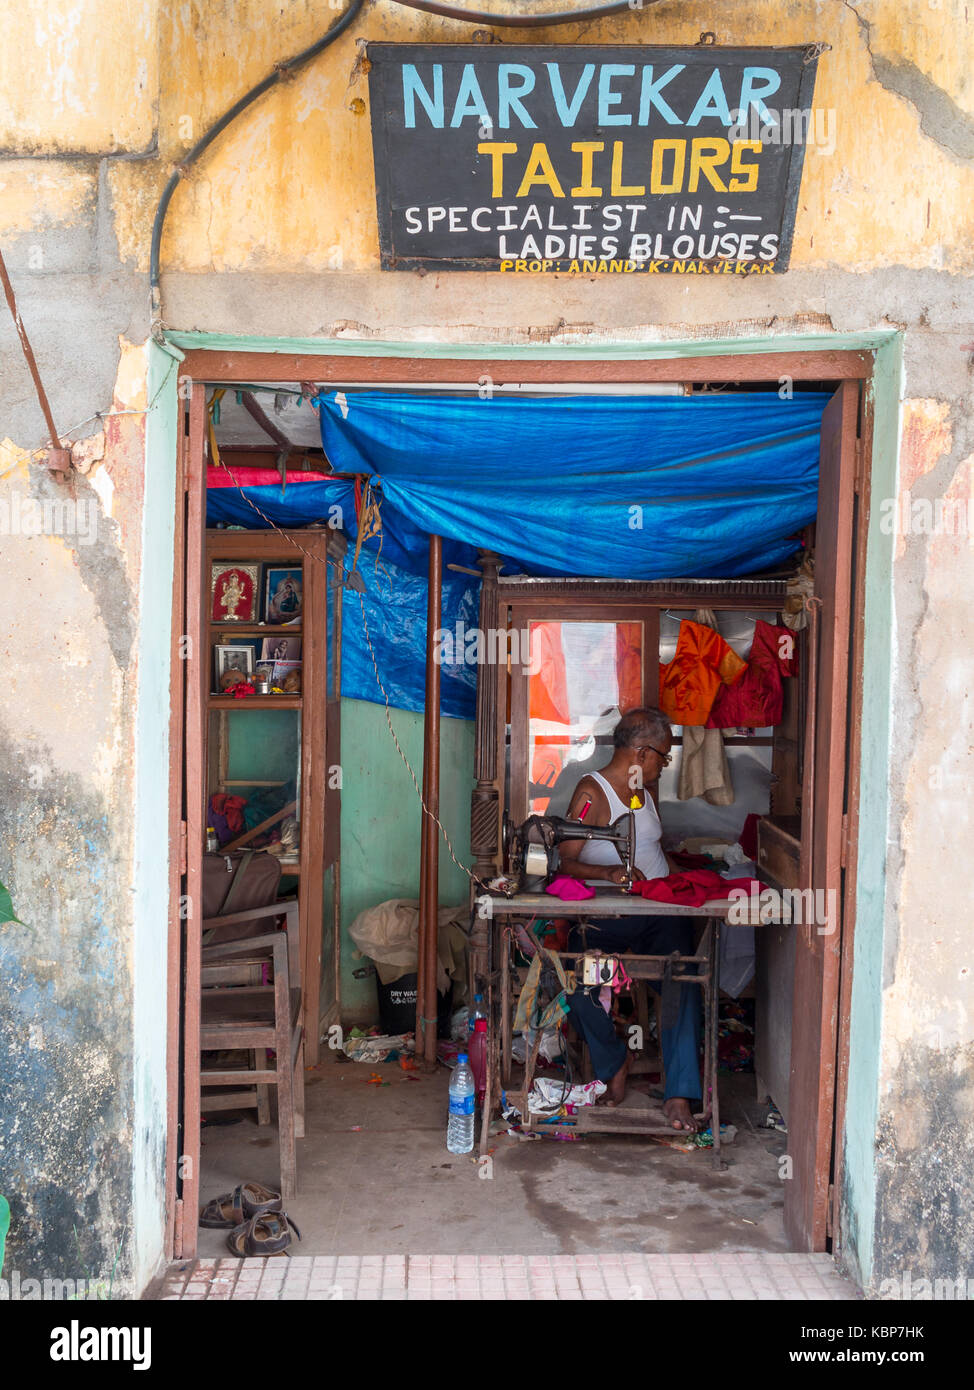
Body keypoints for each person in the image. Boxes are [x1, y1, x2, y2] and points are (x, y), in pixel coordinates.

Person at [557, 706, 702, 1131]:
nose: (664, 764)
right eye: (663, 756)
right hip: (609, 914)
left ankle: (679, 1094)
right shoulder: (592, 793)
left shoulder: (645, 792)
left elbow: (652, 851)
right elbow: (565, 862)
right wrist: (607, 873)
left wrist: (688, 879)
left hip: (657, 913)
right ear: (641, 752)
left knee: (685, 978)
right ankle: (614, 1060)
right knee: (576, 979)